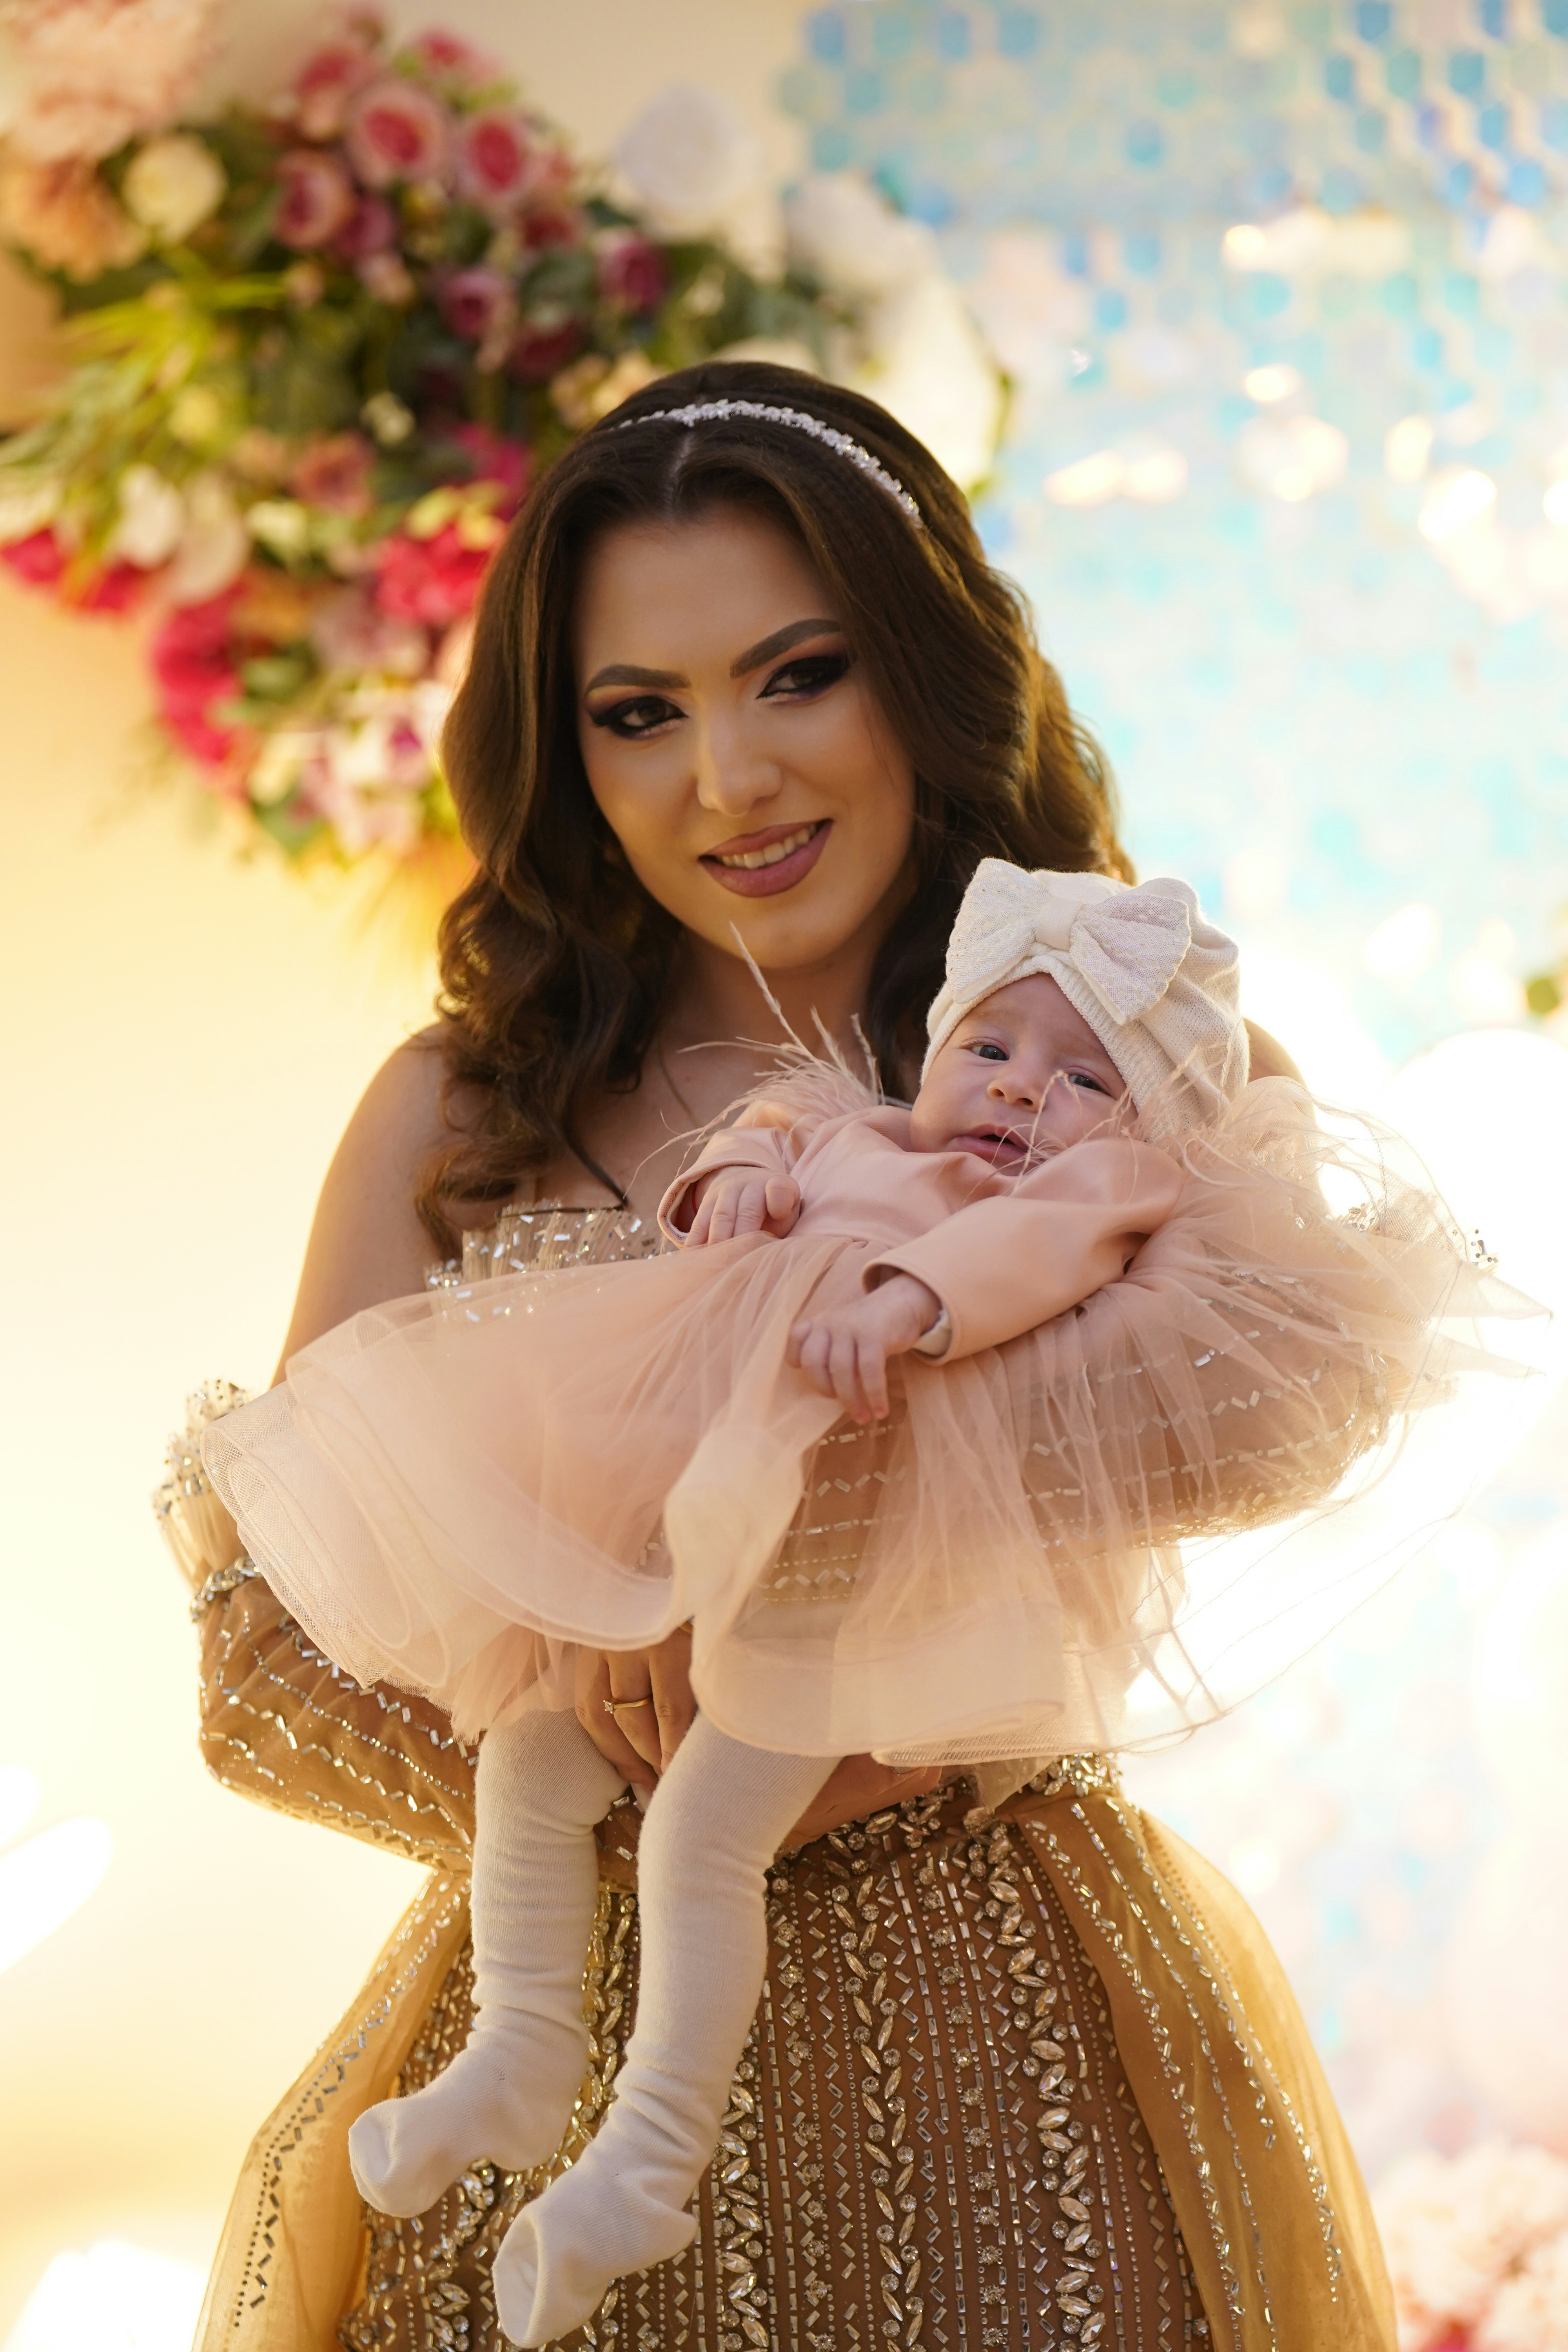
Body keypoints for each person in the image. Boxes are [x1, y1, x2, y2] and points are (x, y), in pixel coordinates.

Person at [167, 360, 1405, 2352]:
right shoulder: (454, 1109)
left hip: (1017, 2057)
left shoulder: (1142, 1091)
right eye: (637, 715)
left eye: (796, 674)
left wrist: (881, 1692)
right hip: (535, 2064)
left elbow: (1292, 1424)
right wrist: (590, 1724)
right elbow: (259, 1662)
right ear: (565, 760)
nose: (725, 779)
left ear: (924, 678)